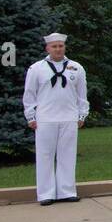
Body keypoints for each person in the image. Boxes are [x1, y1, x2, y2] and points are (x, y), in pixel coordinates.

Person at [22, 32, 88, 205]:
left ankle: (67, 191)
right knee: (45, 156)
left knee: (67, 155)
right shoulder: (36, 68)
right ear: (48, 48)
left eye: (60, 46)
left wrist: (82, 114)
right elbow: (29, 94)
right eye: (54, 46)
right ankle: (46, 194)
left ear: (64, 47)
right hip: (45, 118)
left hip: (69, 117)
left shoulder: (76, 67)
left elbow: (82, 95)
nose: (58, 49)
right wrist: (30, 116)